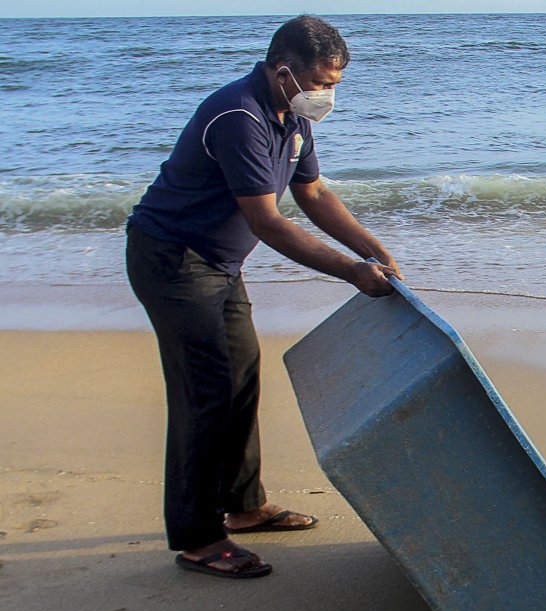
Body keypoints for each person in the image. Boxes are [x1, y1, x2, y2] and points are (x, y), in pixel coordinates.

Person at [126, 15, 401, 579]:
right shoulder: (239, 116)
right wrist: (352, 272)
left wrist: (375, 248)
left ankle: (245, 506)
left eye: (335, 85)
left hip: (220, 265)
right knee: (205, 393)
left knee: (243, 376)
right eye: (321, 83)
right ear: (283, 71)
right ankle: (199, 537)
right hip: (174, 262)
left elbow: (315, 193)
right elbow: (270, 223)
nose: (326, 95)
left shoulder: (290, 116)